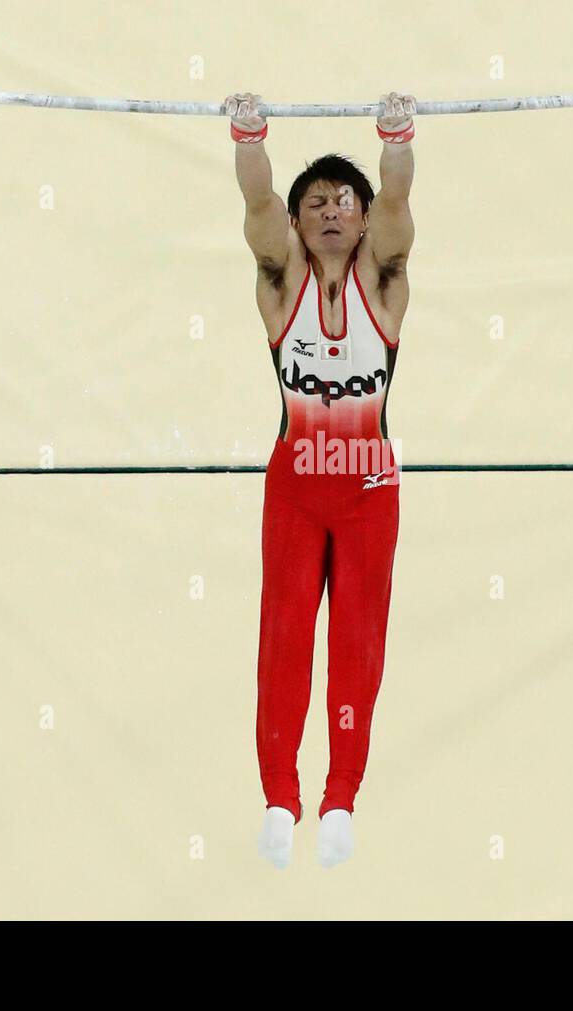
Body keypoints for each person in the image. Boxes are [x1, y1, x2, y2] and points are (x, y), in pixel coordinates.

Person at [227, 90, 416, 868]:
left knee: (357, 645)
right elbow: (256, 197)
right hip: (298, 484)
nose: (331, 211)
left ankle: (341, 795)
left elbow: (399, 194)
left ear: (364, 220)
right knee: (285, 635)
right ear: (300, 224)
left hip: (368, 486)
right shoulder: (281, 284)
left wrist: (396, 137)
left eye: (345, 201)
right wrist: (248, 135)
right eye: (317, 204)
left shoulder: (385, 282)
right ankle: (280, 792)